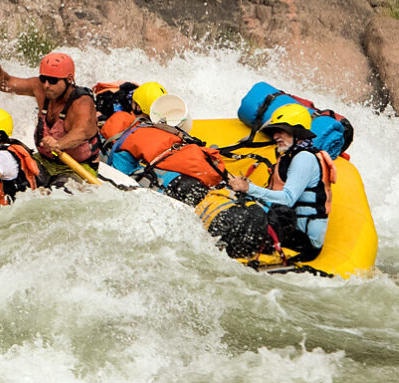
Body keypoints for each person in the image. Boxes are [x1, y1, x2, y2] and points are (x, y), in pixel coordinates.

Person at [225, 102, 335, 261]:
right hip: (287, 228)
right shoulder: (289, 156)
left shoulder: (304, 158)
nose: (276, 136)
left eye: (282, 131)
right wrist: (245, 188)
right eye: (275, 132)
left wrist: (249, 188)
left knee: (242, 225)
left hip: (303, 242)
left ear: (297, 133)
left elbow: (287, 199)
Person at [0, 51, 101, 185]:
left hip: (77, 167)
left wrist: (58, 144)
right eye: (43, 79)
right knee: (10, 179)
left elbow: (82, 132)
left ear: (69, 79)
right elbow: (5, 83)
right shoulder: (40, 88)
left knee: (58, 190)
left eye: (53, 80)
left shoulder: (82, 102)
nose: (46, 85)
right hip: (44, 161)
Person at [100, 87, 226, 203]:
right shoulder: (166, 134)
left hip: (170, 183)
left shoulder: (127, 126)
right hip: (195, 180)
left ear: (137, 106)